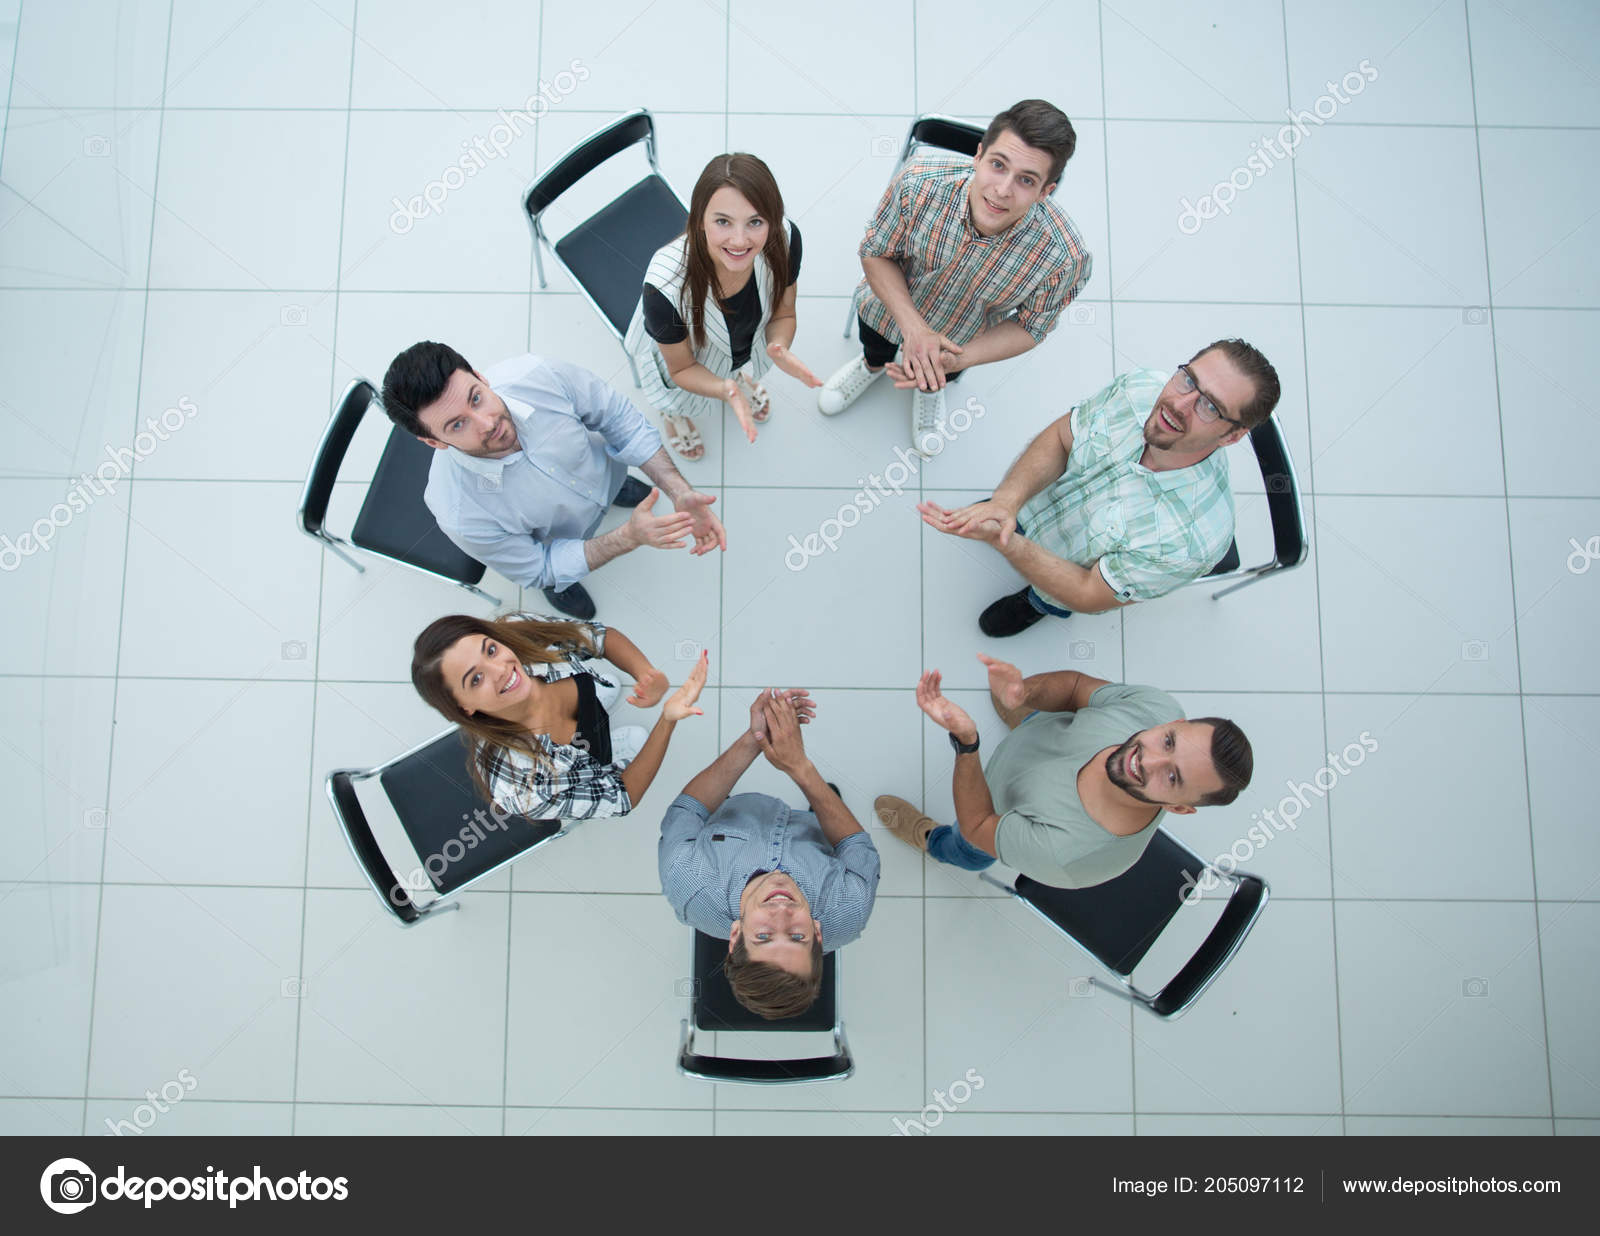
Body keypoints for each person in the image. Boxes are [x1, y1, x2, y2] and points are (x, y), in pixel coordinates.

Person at [918, 338, 1281, 636]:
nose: (1177, 404)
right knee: (1009, 509)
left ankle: (1033, 604)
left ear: (1233, 435)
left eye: (1210, 407)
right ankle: (1016, 514)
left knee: (1051, 597)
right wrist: (1007, 502)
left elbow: (1087, 591)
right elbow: (1062, 438)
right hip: (1035, 506)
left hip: (1068, 576)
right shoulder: (1141, 389)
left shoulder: (1191, 544)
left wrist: (1008, 541)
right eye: (1188, 380)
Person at [818, 98, 1092, 458]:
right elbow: (876, 252)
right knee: (876, 345)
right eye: (998, 165)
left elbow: (1031, 327)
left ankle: (932, 390)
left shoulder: (1065, 258)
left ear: (1046, 192)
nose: (1003, 189)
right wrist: (915, 330)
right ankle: (870, 366)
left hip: (962, 341)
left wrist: (958, 361)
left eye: (1026, 180)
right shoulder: (918, 184)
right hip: (888, 309)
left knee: (941, 376)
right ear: (978, 156)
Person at [381, 341, 726, 621]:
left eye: (476, 398)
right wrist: (627, 538)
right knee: (556, 576)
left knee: (616, 483)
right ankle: (564, 588)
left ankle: (615, 490)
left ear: (480, 377)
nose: (486, 423)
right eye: (457, 425)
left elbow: (619, 420)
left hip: (603, 473)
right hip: (556, 543)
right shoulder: (459, 513)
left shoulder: (538, 374)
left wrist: (678, 490)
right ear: (434, 442)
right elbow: (538, 566)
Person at [875, 653, 1252, 889]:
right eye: (1168, 741)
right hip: (1038, 736)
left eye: (1172, 778)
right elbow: (1074, 690)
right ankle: (1021, 715)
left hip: (992, 815)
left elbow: (978, 823)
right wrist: (1025, 694)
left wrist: (967, 743)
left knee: (967, 846)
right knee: (1045, 717)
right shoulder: (1157, 707)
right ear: (1175, 722)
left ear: (1179, 808)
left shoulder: (1069, 856)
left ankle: (930, 840)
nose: (1146, 760)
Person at [658, 689, 880, 1019]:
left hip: (740, 812)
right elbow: (855, 847)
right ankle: (818, 797)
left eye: (763, 935)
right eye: (797, 935)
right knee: (828, 810)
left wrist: (755, 738)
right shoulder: (849, 910)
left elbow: (688, 811)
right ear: (819, 934)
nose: (781, 913)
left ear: (735, 936)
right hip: (813, 830)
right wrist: (800, 768)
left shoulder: (688, 880)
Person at [411, 610, 707, 821]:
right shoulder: (526, 787)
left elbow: (598, 638)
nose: (501, 669)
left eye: (489, 650)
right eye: (475, 679)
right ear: (465, 708)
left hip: (581, 706)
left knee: (591, 701)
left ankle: (596, 698)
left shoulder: (518, 631)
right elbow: (622, 797)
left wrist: (645, 672)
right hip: (578, 760)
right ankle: (611, 752)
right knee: (596, 757)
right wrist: (666, 720)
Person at [624, 153, 822, 460]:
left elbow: (783, 312)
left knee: (742, 366)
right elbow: (682, 367)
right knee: (677, 399)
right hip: (681, 355)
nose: (740, 241)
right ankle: (674, 415)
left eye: (755, 221)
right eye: (723, 222)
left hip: (744, 342)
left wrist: (779, 346)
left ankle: (740, 378)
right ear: (699, 219)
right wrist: (722, 389)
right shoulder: (663, 289)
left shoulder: (784, 238)